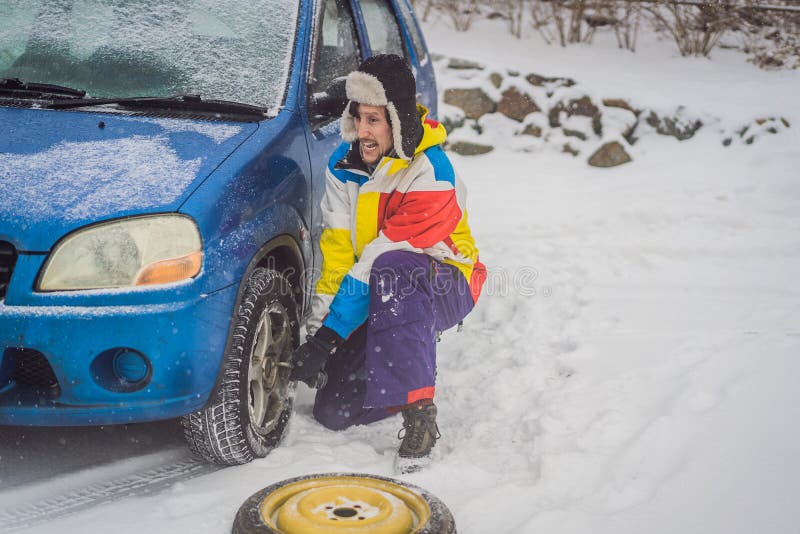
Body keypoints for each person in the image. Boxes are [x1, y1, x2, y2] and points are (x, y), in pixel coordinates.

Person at [290, 54, 486, 472]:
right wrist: (320, 331)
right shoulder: (343, 167)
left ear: (396, 119)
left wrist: (329, 338)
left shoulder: (432, 172)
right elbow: (339, 254)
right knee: (334, 412)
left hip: (446, 281)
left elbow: (380, 255)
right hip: (376, 289)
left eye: (374, 120)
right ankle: (399, 358)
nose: (362, 131)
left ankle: (419, 413)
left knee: (394, 267)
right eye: (358, 117)